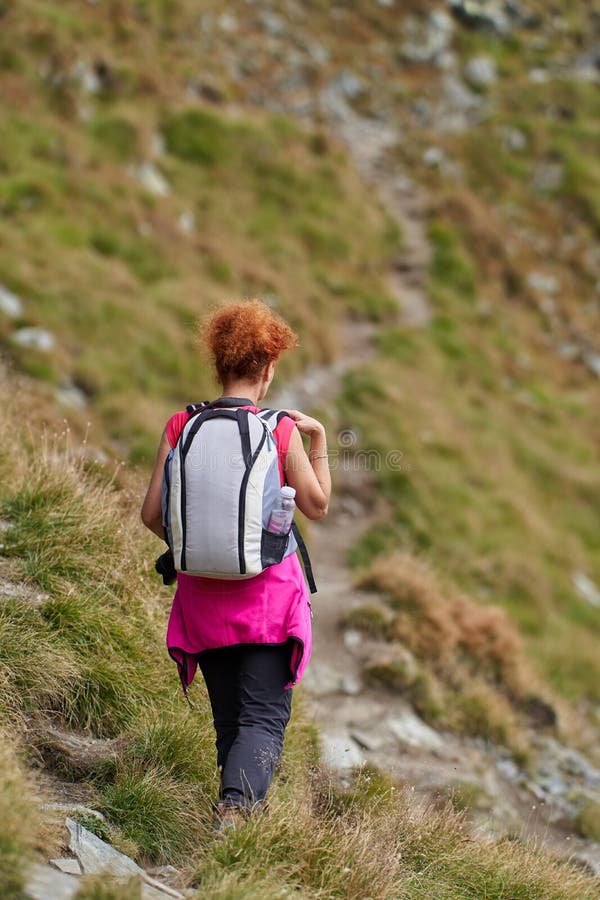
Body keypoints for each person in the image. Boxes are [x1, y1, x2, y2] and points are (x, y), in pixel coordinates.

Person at [140, 299, 331, 827]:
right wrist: (317, 440)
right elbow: (317, 506)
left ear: (218, 363)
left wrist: (202, 545)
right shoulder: (279, 429)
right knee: (265, 718)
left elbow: (152, 514)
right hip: (268, 603)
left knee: (230, 720)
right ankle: (237, 815)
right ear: (268, 369)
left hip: (201, 598)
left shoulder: (181, 425)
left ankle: (232, 820)